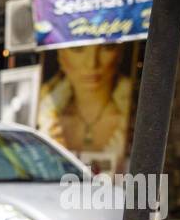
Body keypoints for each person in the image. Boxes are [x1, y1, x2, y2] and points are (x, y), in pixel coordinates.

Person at [37, 43, 133, 173]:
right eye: (77, 48)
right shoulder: (45, 119)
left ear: (120, 54)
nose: (92, 63)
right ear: (60, 55)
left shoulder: (136, 118)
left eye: (106, 47)